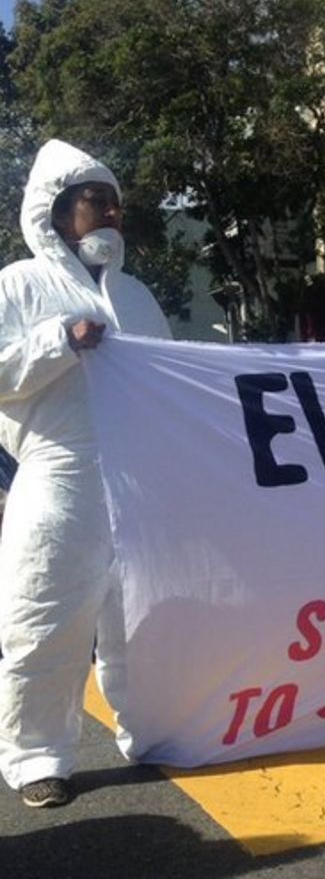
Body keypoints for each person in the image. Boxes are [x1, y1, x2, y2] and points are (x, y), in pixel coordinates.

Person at [0, 139, 172, 808]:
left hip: (138, 480)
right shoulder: (18, 284)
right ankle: (38, 755)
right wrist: (58, 342)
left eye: (117, 204)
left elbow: (173, 376)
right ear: (58, 209)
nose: (111, 214)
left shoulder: (133, 293)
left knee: (145, 616)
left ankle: (149, 730)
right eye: (97, 201)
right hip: (58, 475)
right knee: (46, 616)